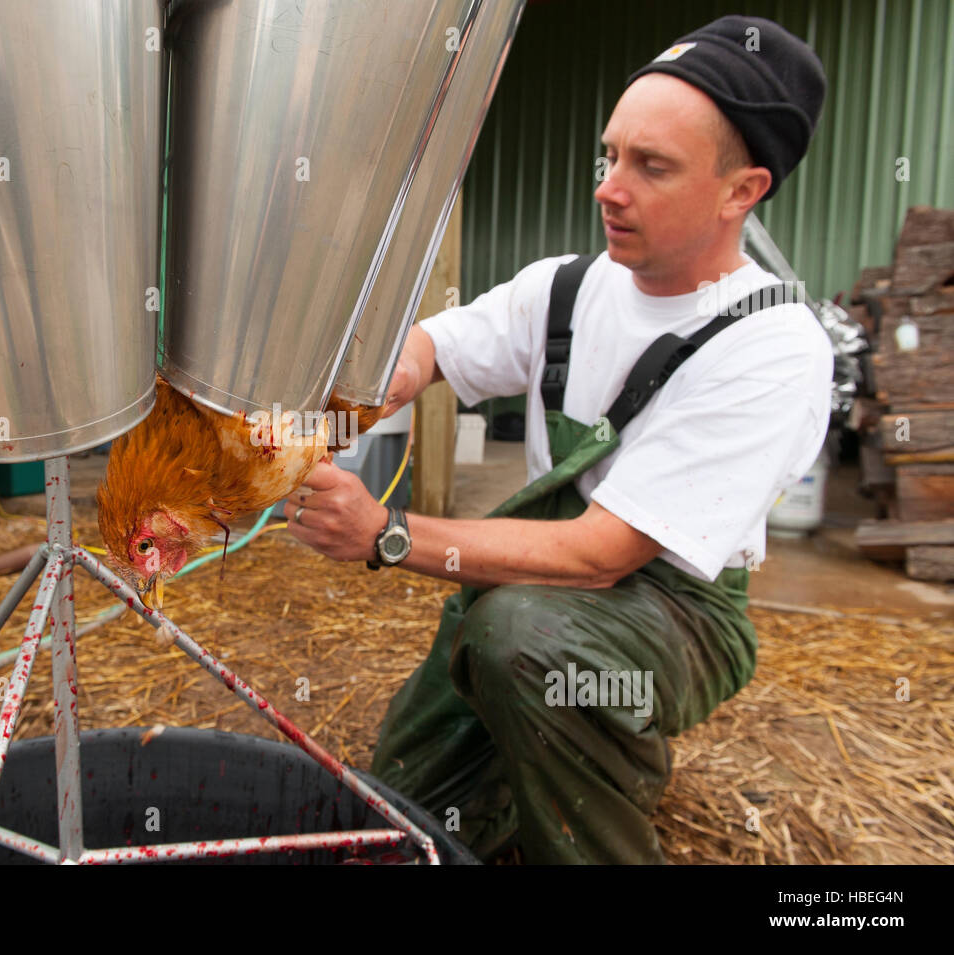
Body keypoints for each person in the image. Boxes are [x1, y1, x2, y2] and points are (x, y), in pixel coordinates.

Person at [282, 15, 833, 863]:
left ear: (741, 191)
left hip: (674, 614)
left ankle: (610, 791)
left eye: (652, 167)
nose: (610, 187)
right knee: (396, 820)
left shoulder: (771, 346)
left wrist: (386, 534)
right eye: (610, 155)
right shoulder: (569, 288)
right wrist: (366, 392)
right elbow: (434, 347)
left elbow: (599, 556)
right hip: (531, 590)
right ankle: (547, 749)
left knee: (518, 640)